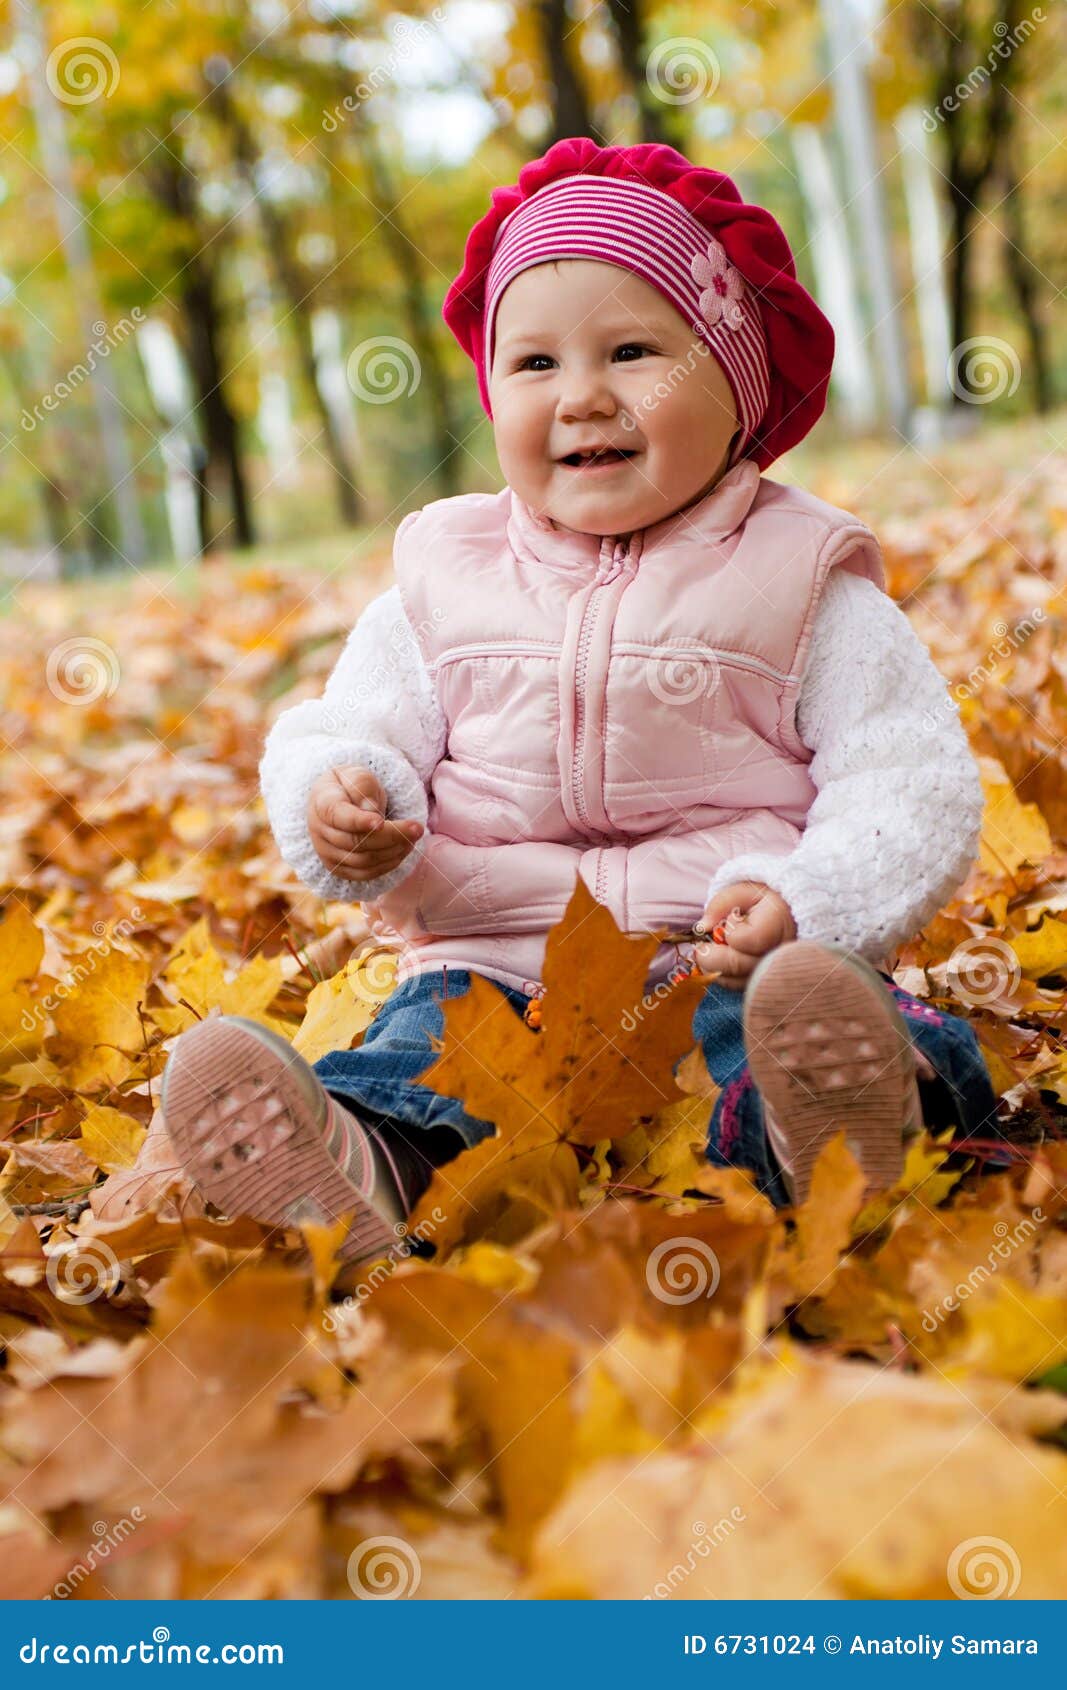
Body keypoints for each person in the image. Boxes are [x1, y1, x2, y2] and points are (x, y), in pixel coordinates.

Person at [159, 137, 1000, 1267]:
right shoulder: (444, 577)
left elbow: (905, 775)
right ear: (490, 387)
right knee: (413, 1066)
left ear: (733, 381)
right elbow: (351, 723)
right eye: (535, 363)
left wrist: (809, 903)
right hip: (492, 973)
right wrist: (341, 795)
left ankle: (828, 1133)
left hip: (717, 957)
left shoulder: (800, 581)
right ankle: (348, 1163)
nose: (582, 397)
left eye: (632, 351)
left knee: (827, 1035)